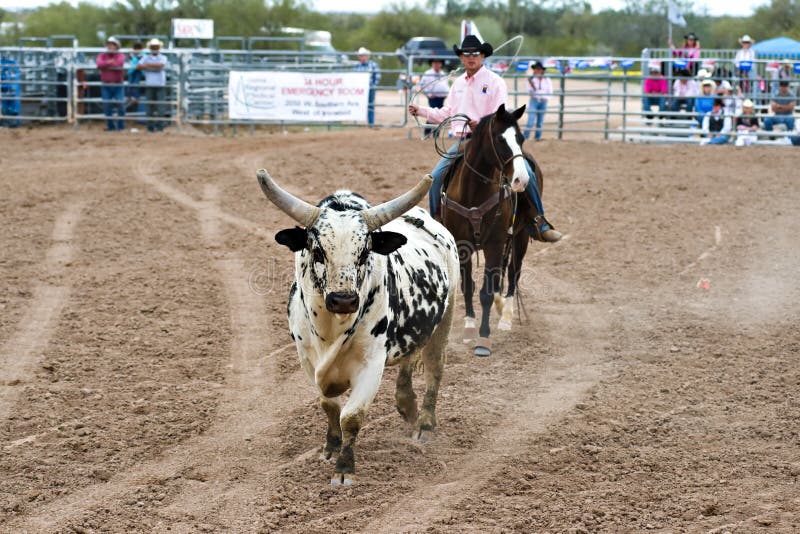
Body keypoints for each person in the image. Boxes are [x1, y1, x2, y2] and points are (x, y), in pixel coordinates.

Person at [408, 35, 562, 243]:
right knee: (435, 178)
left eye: (475, 54)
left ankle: (538, 221)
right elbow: (448, 112)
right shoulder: (458, 84)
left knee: (527, 172)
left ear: (482, 56)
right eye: (466, 54)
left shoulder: (494, 82)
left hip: (494, 141)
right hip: (466, 141)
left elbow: (500, 115)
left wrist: (480, 124)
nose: (471, 58)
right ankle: (438, 222)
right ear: (461, 58)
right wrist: (422, 111)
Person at [137, 38, 169, 132]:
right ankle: (150, 127)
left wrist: (146, 65)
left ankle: (160, 127)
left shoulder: (161, 57)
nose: (154, 48)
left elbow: (160, 66)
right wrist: (153, 66)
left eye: (156, 46)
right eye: (153, 47)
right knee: (149, 107)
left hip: (160, 84)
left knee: (160, 107)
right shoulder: (147, 57)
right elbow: (138, 66)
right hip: (150, 84)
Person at [95, 36, 125, 131]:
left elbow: (118, 64)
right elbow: (99, 64)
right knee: (107, 105)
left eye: (112, 44)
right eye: (109, 44)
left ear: (116, 46)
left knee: (120, 104)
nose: (110, 46)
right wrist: (109, 62)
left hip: (117, 83)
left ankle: (121, 126)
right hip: (106, 83)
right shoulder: (102, 55)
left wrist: (106, 64)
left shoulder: (120, 55)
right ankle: (111, 126)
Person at [419, 59, 449, 137]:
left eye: (438, 62)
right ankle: (427, 133)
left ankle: (436, 134)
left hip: (441, 97)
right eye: (435, 62)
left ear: (441, 64)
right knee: (431, 113)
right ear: (432, 64)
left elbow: (445, 84)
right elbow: (422, 85)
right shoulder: (428, 73)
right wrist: (428, 94)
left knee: (440, 115)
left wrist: (446, 93)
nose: (436, 64)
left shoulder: (443, 73)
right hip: (433, 97)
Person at [523, 60, 552, 140]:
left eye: (540, 69)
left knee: (540, 122)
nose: (538, 70)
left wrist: (546, 98)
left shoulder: (547, 79)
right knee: (530, 121)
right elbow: (529, 90)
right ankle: (525, 137)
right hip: (534, 100)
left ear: (542, 70)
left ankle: (537, 137)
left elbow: (550, 91)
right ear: (534, 70)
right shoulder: (530, 79)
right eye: (536, 69)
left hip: (543, 101)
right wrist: (532, 86)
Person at [354, 47, 380, 125]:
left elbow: (377, 76)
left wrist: (374, 85)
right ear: (359, 57)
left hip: (370, 88)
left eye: (364, 55)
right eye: (361, 56)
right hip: (360, 89)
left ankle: (371, 122)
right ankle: (357, 122)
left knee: (370, 105)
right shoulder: (357, 65)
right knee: (358, 104)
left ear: (367, 56)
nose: (363, 57)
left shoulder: (373, 65)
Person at [126, 42, 145, 113]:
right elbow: (129, 55)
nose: (137, 50)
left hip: (138, 71)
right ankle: (129, 96)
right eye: (136, 48)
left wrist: (135, 53)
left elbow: (141, 57)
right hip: (132, 71)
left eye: (138, 48)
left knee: (135, 84)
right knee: (130, 83)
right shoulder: (133, 55)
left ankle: (135, 97)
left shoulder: (142, 54)